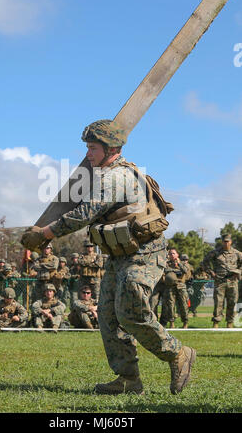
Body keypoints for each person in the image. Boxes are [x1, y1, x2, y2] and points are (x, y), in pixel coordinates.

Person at [21, 119, 196, 395]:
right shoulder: (106, 174)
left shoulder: (117, 177)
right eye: (88, 148)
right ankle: (128, 379)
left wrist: (45, 234)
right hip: (120, 255)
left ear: (111, 148)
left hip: (143, 254)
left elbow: (84, 213)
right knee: (108, 316)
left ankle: (177, 354)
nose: (88, 154)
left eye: (92, 148)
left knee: (130, 314)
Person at [201, 233, 242, 328]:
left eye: (228, 241)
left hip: (232, 281)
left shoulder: (237, 253)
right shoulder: (215, 252)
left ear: (231, 242)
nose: (226, 243)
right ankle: (216, 322)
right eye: (224, 241)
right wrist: (211, 272)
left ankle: (230, 323)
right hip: (219, 282)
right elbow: (204, 262)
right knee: (218, 303)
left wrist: (238, 272)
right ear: (222, 242)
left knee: (232, 303)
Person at [163, 249, 190, 329]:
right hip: (170, 287)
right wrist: (175, 270)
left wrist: (179, 264)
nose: (172, 255)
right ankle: (172, 323)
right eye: (170, 254)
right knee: (170, 306)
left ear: (177, 255)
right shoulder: (166, 264)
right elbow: (165, 270)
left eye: (174, 253)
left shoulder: (183, 263)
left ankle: (185, 322)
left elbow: (185, 271)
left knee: (183, 305)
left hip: (181, 286)